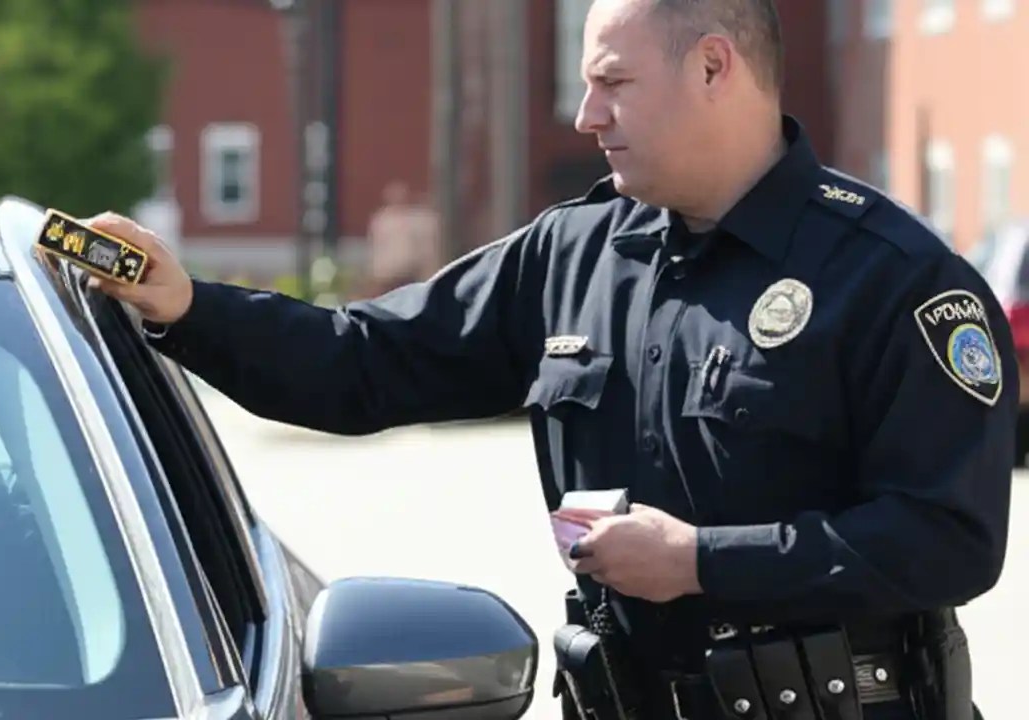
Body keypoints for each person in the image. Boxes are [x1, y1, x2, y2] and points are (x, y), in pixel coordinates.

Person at [83, 0, 1014, 717]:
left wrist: (702, 563)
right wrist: (188, 306)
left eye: (612, 83)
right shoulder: (576, 253)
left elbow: (947, 539)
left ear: (713, 67)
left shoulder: (892, 281)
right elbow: (367, 362)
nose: (583, 116)